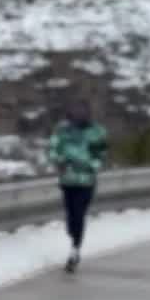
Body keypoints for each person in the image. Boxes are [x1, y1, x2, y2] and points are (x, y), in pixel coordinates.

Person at [48, 98, 109, 272]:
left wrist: (92, 166)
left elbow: (102, 153)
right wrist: (59, 160)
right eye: (75, 111)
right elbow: (53, 148)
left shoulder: (97, 132)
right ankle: (73, 236)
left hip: (86, 181)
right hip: (67, 180)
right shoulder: (62, 130)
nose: (78, 115)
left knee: (79, 213)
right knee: (70, 216)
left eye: (81, 111)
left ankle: (75, 249)